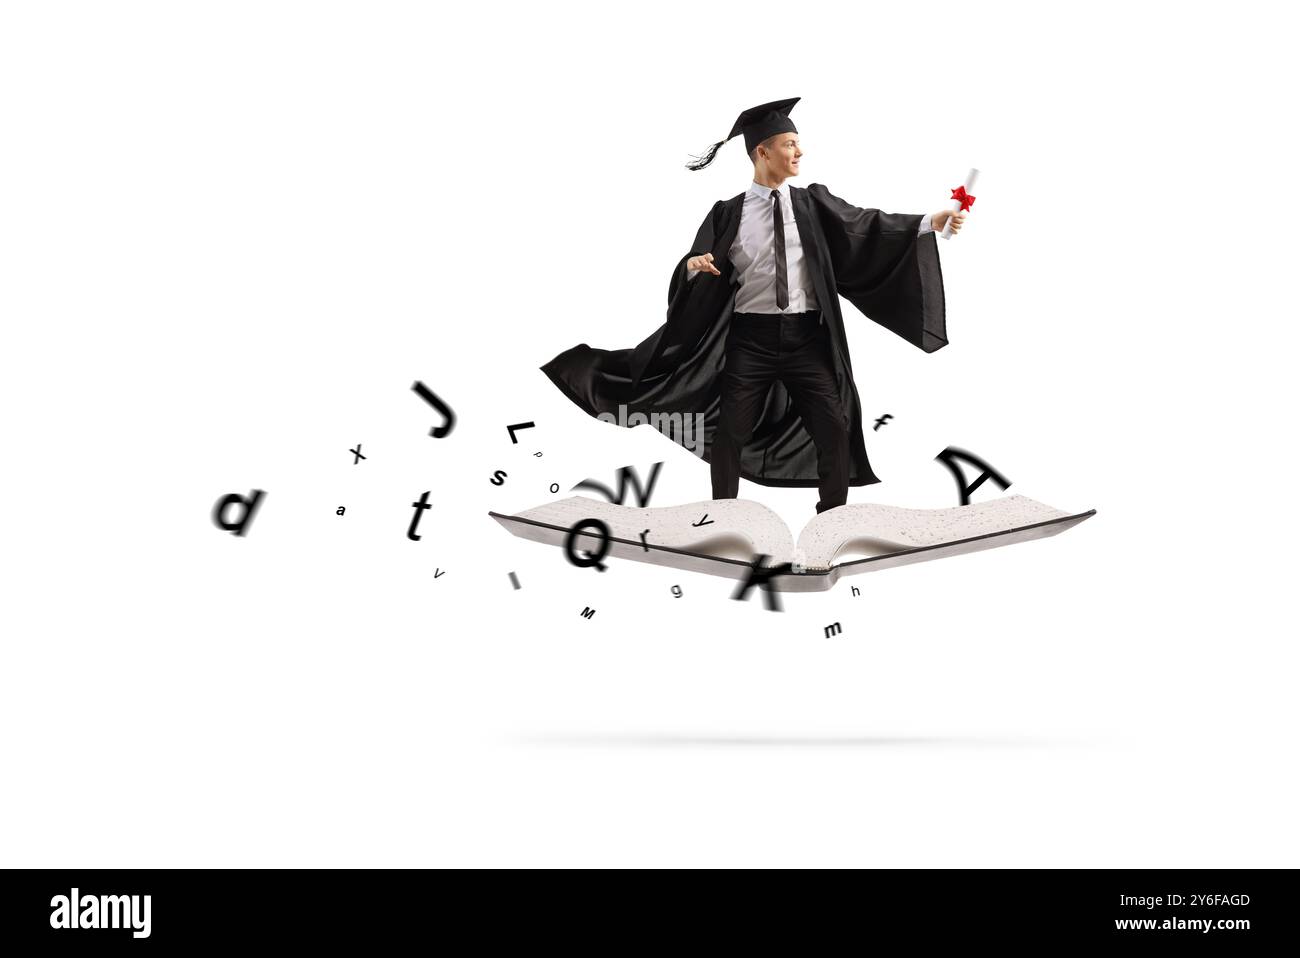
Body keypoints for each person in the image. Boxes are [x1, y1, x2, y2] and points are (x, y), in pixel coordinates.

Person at [543, 97, 966, 513]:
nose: (799, 151)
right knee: (729, 433)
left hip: (808, 340)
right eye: (789, 144)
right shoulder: (728, 214)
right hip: (751, 340)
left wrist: (930, 221)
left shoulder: (813, 203)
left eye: (798, 144)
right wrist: (693, 266)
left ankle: (832, 518)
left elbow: (867, 225)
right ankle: (724, 518)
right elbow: (694, 268)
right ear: (761, 151)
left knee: (834, 429)